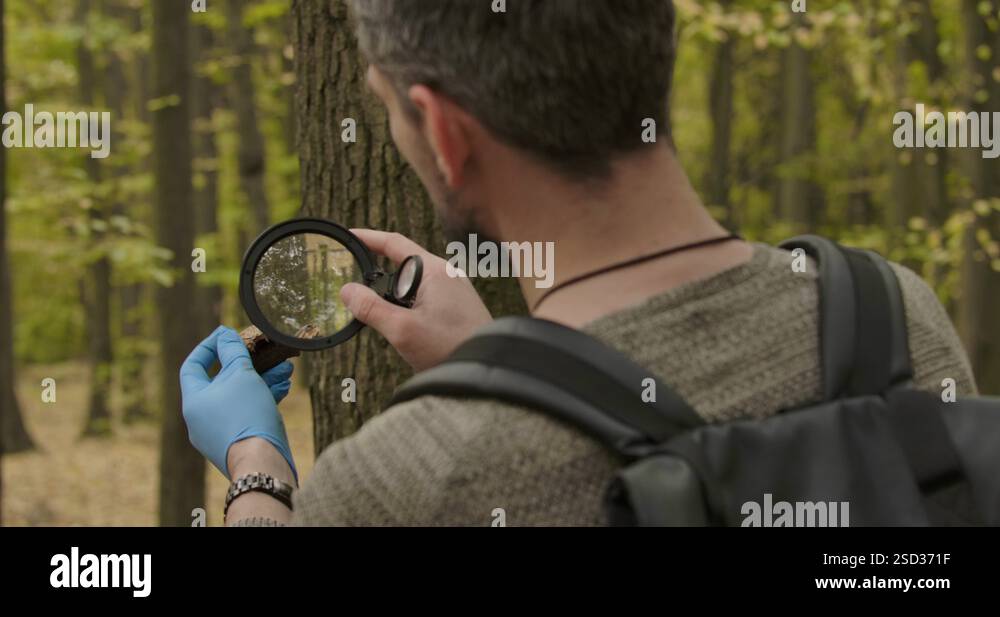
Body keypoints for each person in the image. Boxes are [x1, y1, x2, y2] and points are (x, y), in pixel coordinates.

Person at [179, 0, 978, 526]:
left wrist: (257, 466)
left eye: (387, 109)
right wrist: (503, 365)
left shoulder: (411, 478)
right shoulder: (893, 321)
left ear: (443, 132)